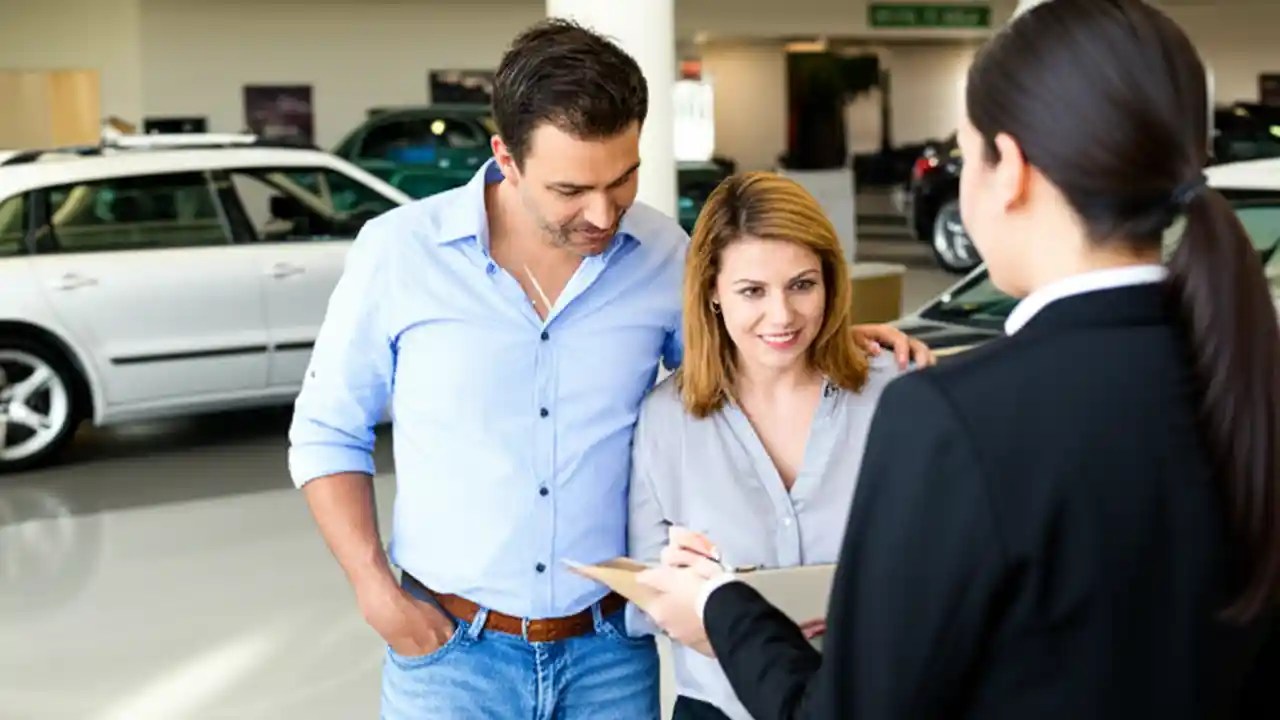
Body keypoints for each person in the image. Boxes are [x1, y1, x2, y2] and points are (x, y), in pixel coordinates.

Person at [637, 1, 1280, 718]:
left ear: (1011, 170)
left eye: (968, 152)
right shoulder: (1247, 379)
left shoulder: (951, 416)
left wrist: (724, 605)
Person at [287, 19, 931, 719]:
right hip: (450, 654)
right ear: (506, 157)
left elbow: (740, 361)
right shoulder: (399, 254)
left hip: (607, 657)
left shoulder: (663, 254)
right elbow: (326, 433)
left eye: (623, 178)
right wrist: (375, 591)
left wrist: (831, 334)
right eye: (570, 189)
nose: (603, 211)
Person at [626, 171, 907, 720]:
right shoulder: (666, 419)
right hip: (719, 708)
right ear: (711, 290)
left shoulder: (895, 395)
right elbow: (645, 590)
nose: (781, 316)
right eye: (752, 291)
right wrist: (694, 600)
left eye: (802, 285)